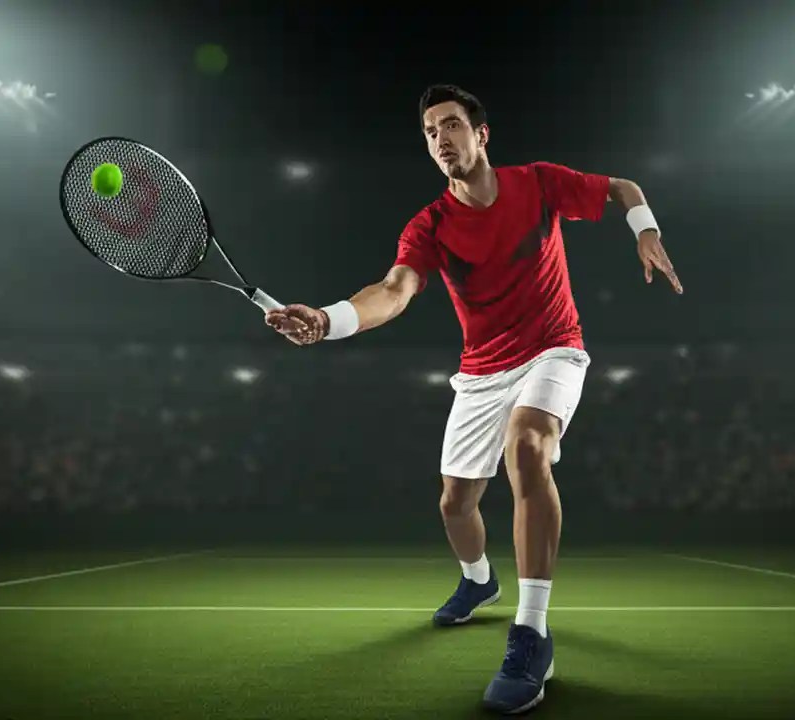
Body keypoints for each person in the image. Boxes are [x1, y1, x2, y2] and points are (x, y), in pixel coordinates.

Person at [264, 84, 682, 714]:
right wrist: (327, 319)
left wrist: (644, 232)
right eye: (430, 132)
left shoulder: (538, 185)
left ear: (481, 134)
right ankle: (479, 581)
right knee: (455, 502)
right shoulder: (430, 225)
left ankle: (531, 632)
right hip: (481, 372)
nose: (441, 140)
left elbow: (623, 188)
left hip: (552, 348)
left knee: (528, 448)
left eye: (452, 125)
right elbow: (395, 288)